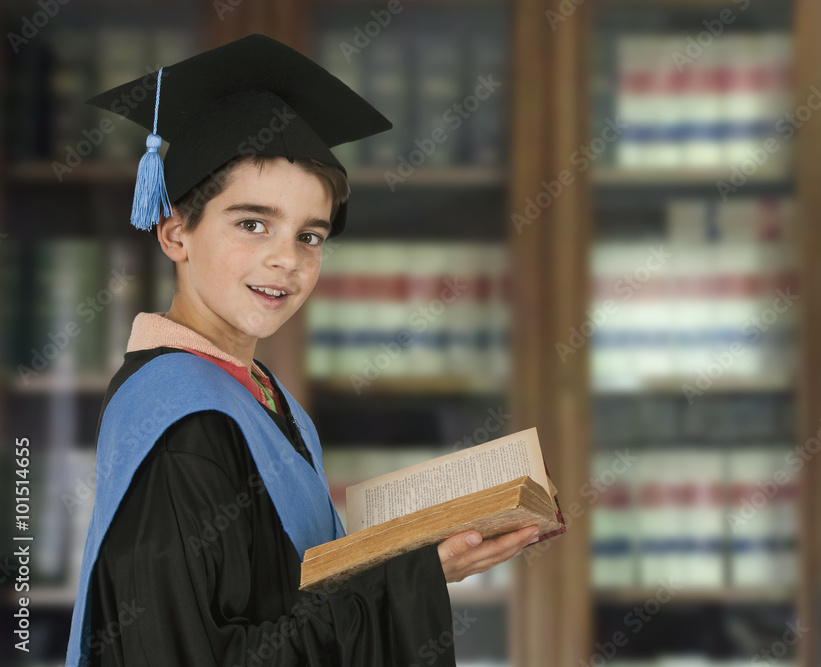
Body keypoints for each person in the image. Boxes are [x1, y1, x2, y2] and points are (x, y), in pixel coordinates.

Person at [65, 34, 539, 666]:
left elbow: (283, 608)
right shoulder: (182, 420)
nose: (286, 258)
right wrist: (414, 582)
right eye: (252, 223)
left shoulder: (263, 398)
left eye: (310, 235)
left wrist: (414, 563)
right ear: (176, 231)